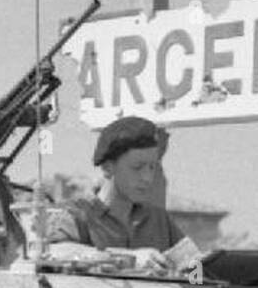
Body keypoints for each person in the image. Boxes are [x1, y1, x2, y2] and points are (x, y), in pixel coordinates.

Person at [44, 116, 185, 274]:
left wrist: (200, 270)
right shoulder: (75, 216)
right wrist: (128, 259)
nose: (147, 177)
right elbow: (53, 253)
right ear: (107, 168)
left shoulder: (159, 220)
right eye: (137, 167)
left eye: (152, 167)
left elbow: (194, 269)